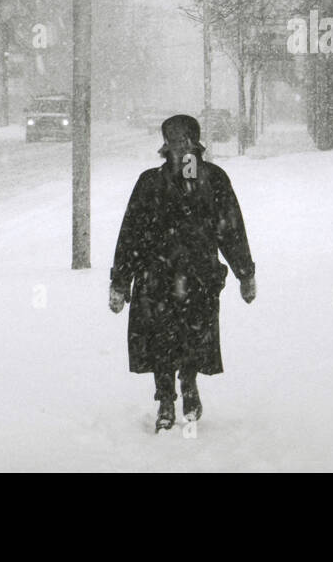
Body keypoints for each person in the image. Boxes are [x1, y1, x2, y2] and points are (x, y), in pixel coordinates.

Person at [109, 114, 256, 432]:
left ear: (195, 143)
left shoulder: (214, 179)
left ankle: (188, 387)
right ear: (165, 146)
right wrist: (120, 279)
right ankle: (165, 399)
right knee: (161, 339)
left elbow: (230, 229)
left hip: (199, 276)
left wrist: (245, 272)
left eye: (185, 141)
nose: (180, 147)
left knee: (192, 336)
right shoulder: (150, 182)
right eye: (174, 141)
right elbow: (131, 233)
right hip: (156, 276)